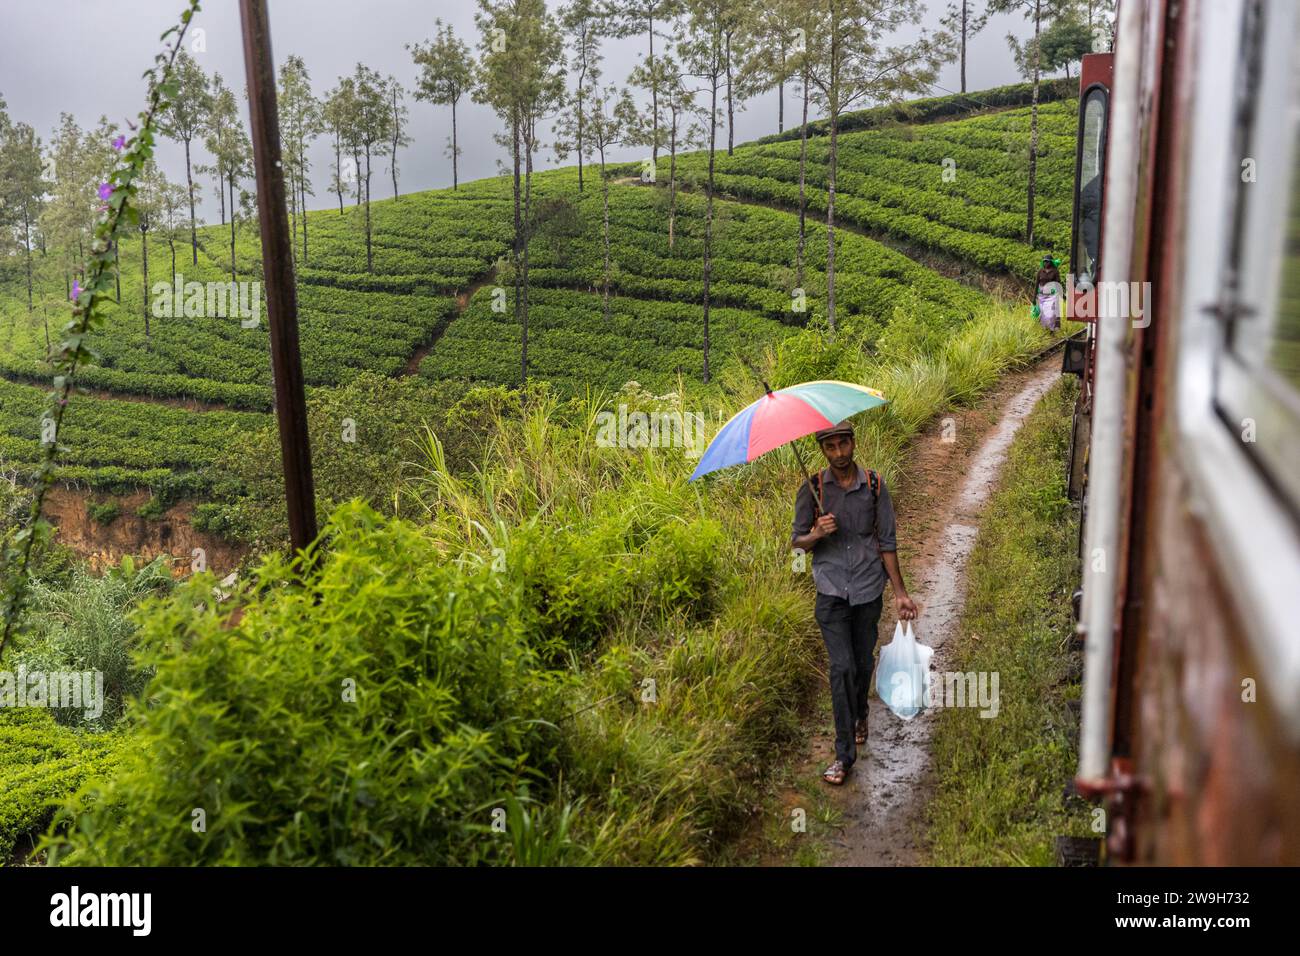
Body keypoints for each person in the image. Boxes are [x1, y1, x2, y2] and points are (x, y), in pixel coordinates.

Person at [790, 421, 918, 786]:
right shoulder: (812, 489)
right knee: (841, 667)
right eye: (831, 448)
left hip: (867, 589)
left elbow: (886, 542)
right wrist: (817, 533)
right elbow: (796, 542)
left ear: (853, 443)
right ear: (823, 451)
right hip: (830, 592)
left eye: (844, 444)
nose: (839, 454)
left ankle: (861, 711)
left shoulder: (875, 487)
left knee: (862, 663)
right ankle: (843, 754)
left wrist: (900, 592)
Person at [1034, 254, 1063, 332]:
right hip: (1041, 296)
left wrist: (1060, 295)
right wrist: (1034, 297)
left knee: (1050, 313)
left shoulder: (1055, 271)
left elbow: (1058, 283)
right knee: (1042, 313)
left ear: (1051, 262)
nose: (1045, 263)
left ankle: (1051, 328)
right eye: (1044, 261)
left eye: (1047, 261)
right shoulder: (1040, 271)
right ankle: (1044, 329)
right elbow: (1036, 284)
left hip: (1051, 295)